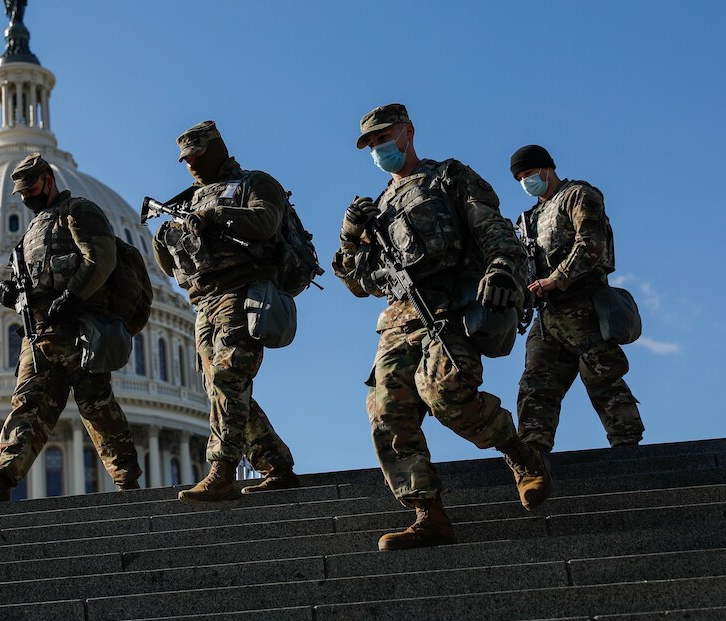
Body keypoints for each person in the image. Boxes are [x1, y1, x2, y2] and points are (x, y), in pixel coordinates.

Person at [332, 104, 551, 551]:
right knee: (386, 412)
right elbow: (356, 282)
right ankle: (427, 513)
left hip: (450, 309)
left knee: (444, 393)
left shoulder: (447, 177)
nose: (378, 147)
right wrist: (350, 236)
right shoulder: (378, 209)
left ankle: (521, 454)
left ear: (408, 132)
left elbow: (492, 228)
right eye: (371, 143)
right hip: (399, 321)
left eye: (384, 137)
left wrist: (503, 268)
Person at [0, 153, 143, 503]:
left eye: (30, 189)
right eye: (21, 193)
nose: (25, 197)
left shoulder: (78, 211)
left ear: (48, 181)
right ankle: (1, 479)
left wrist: (72, 296)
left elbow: (101, 258)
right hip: (41, 334)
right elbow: (34, 284)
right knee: (28, 405)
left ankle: (127, 480)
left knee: (96, 405)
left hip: (82, 326)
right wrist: (9, 294)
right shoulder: (30, 234)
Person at [151, 120, 300, 505]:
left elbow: (267, 222)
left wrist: (214, 214)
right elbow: (171, 268)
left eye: (199, 155)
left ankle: (221, 471)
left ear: (217, 148)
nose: (192, 165)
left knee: (228, 377)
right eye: (186, 160)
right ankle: (275, 464)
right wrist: (167, 239)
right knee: (219, 387)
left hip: (244, 292)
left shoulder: (255, 182)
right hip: (205, 300)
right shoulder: (189, 200)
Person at [510, 144, 644, 453]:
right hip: (548, 314)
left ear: (548, 168)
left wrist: (555, 280)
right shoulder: (528, 219)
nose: (526, 181)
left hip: (584, 305)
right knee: (535, 386)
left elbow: (590, 245)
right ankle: (533, 458)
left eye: (530, 173)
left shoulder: (578, 196)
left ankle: (629, 450)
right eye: (520, 177)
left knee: (602, 376)